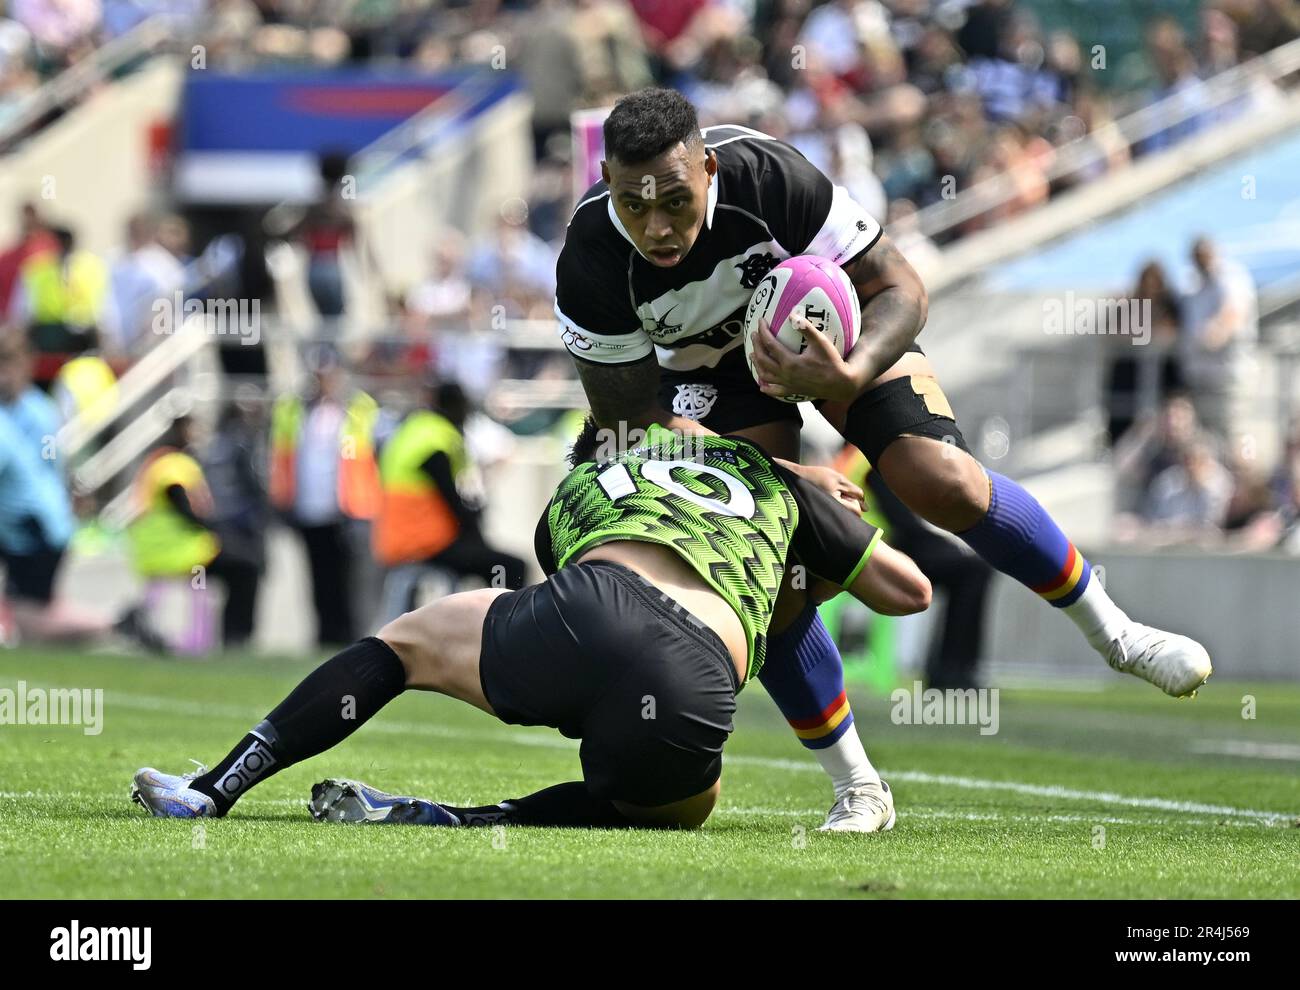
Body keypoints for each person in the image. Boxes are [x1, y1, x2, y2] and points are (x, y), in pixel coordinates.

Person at [552, 88, 1210, 822]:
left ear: (708, 168)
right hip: (698, 391)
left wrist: (853, 372)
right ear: (608, 184)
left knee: (942, 481)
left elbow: (901, 285)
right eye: (634, 207)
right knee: (774, 574)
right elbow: (635, 420)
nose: (657, 228)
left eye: (674, 201)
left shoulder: (774, 179)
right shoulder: (590, 258)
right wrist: (786, 481)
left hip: (828, 339)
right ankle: (858, 785)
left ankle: (1116, 632)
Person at [131, 421, 931, 830]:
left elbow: (568, 590)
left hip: (588, 613)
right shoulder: (775, 486)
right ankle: (468, 820)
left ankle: (214, 787)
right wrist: (814, 554)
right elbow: (909, 593)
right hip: (698, 674)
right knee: (682, 806)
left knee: (406, 640)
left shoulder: (578, 491)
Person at [373, 380, 526, 620]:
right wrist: (477, 524)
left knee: (483, 556)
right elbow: (455, 503)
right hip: (426, 543)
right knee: (512, 566)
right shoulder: (437, 438)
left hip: (398, 540)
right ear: (456, 406)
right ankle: (506, 629)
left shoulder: (413, 430)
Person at [268, 351, 380, 646]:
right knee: (319, 579)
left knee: (351, 581)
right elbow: (284, 455)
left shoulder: (359, 408)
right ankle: (324, 637)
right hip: (308, 508)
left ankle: (352, 639)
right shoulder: (295, 409)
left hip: (350, 508)